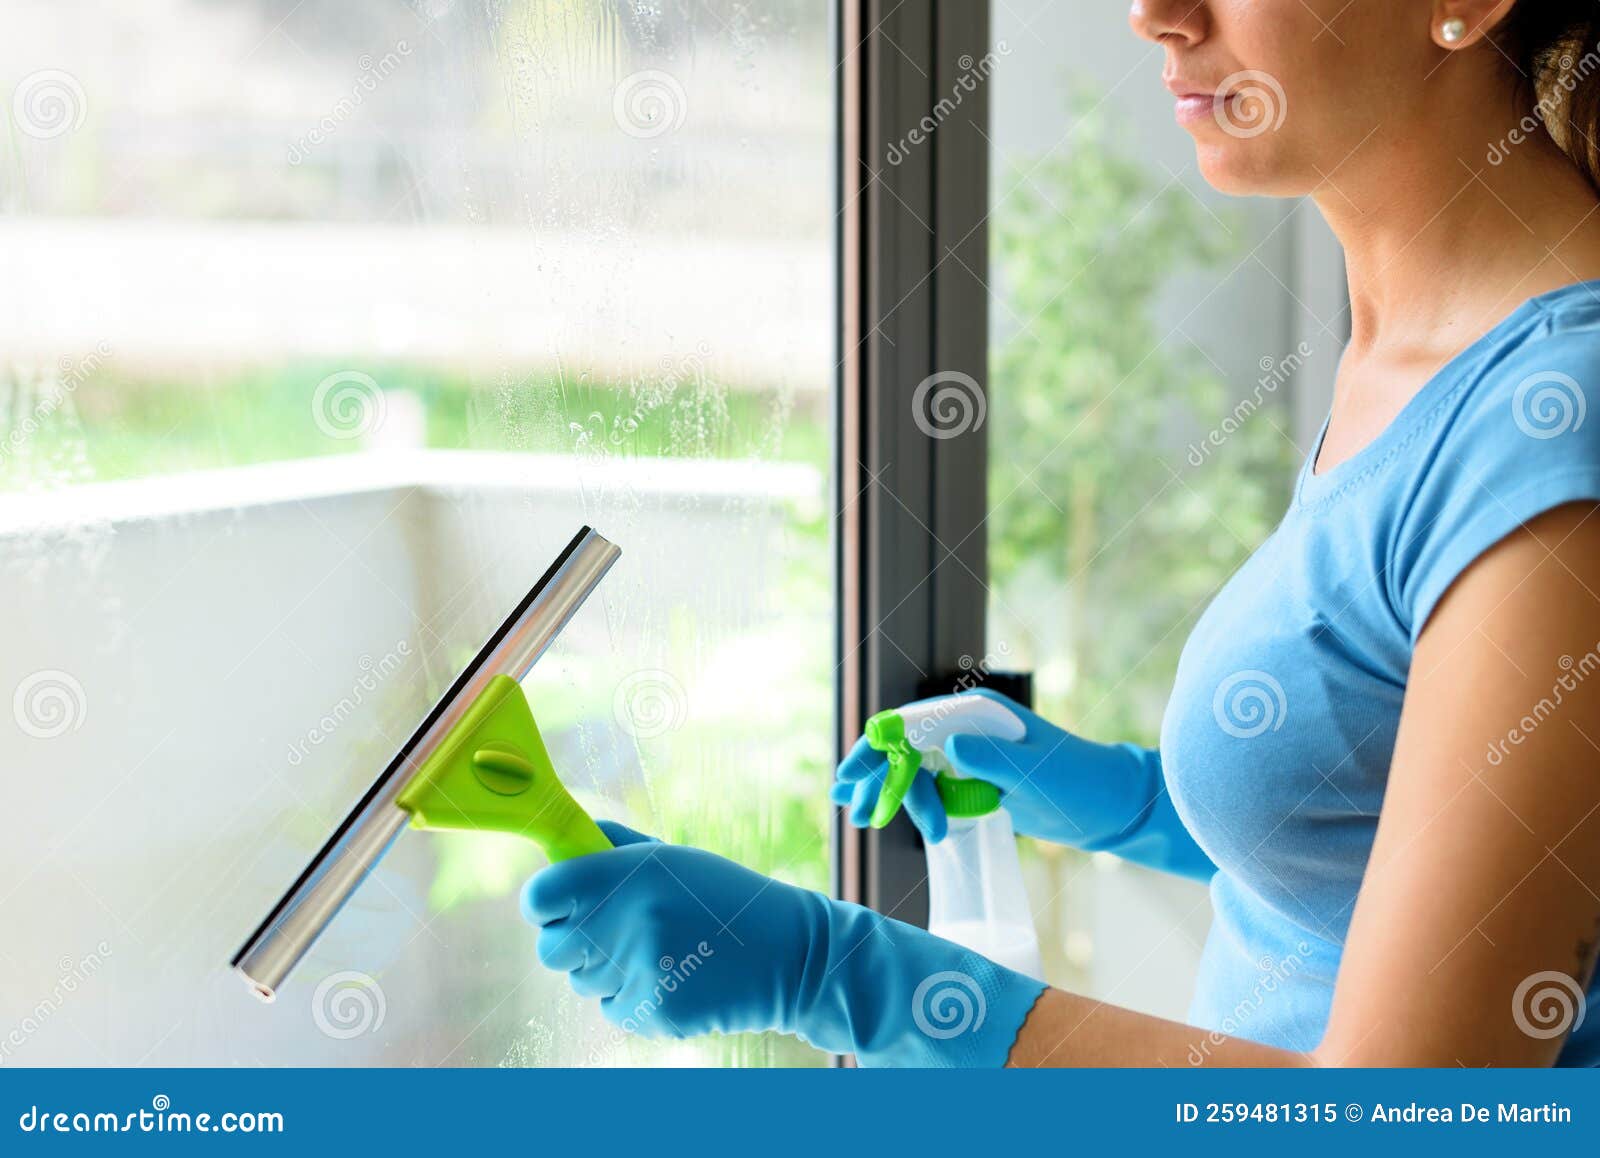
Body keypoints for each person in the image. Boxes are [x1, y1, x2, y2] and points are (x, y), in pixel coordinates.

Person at [523, 0, 1600, 1066]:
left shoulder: (1554, 425)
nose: (1156, 16)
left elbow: (1414, 1124)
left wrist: (840, 976)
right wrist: (1129, 801)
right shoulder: (1430, 350)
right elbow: (1413, 843)